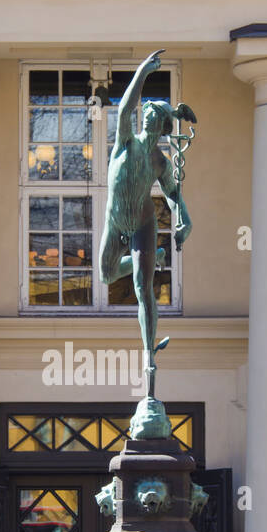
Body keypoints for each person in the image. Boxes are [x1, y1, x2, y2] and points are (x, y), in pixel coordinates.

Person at [98, 49, 196, 396]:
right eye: (149, 119)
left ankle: (148, 355)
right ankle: (152, 254)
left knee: (143, 287)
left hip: (141, 223)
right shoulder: (126, 142)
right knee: (106, 274)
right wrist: (142, 72)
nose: (149, 124)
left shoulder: (159, 160)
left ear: (163, 129)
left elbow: (173, 195)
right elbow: (124, 108)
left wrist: (184, 219)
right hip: (116, 222)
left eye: (156, 122)